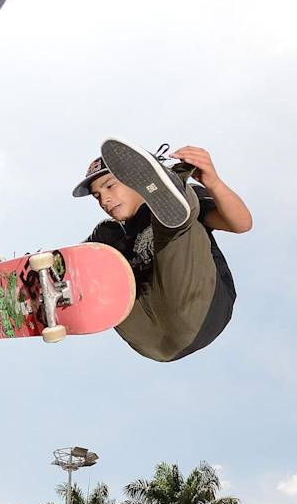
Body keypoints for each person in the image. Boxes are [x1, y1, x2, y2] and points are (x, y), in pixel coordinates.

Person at [73, 138, 252, 362]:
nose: (105, 200)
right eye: (97, 196)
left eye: (110, 186)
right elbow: (77, 260)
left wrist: (213, 183)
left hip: (197, 310)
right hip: (152, 340)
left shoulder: (179, 202)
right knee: (95, 264)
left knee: (176, 219)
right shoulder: (108, 234)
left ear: (134, 179)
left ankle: (166, 187)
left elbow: (241, 224)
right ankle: (49, 294)